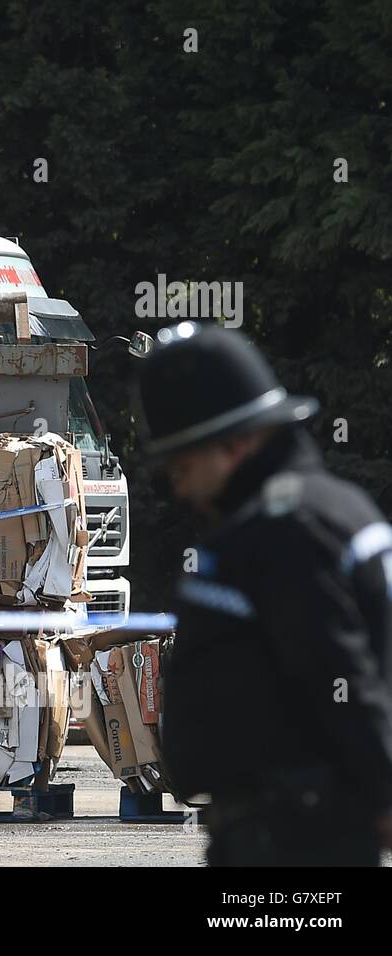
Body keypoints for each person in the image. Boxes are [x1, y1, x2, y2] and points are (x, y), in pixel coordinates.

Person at [133, 321, 392, 866]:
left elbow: (340, 673)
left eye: (182, 464)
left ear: (236, 442)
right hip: (294, 827)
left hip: (294, 838)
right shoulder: (334, 509)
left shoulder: (282, 533)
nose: (177, 486)